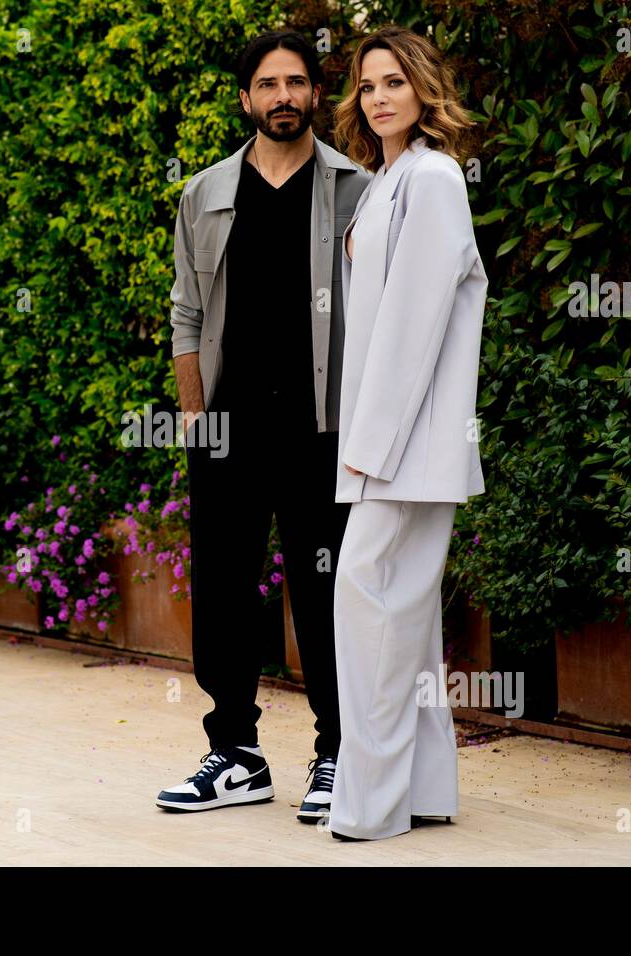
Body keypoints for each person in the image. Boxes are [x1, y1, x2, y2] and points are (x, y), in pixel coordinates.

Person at [157, 31, 372, 820]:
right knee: (222, 590)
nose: (284, 95)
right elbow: (185, 314)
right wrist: (193, 417)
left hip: (322, 430)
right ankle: (235, 754)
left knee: (325, 593)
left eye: (298, 82)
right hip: (228, 429)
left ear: (316, 94)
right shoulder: (205, 194)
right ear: (245, 98)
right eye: (267, 84)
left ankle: (338, 754)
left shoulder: (358, 189)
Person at [327, 25, 488, 841]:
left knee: (364, 602)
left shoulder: (433, 178)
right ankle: (423, 790)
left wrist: (371, 440)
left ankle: (370, 804)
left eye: (395, 80)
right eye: (368, 84)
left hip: (406, 446)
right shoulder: (386, 180)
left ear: (423, 88)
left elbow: (420, 319)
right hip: (389, 444)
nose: (380, 95)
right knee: (407, 619)